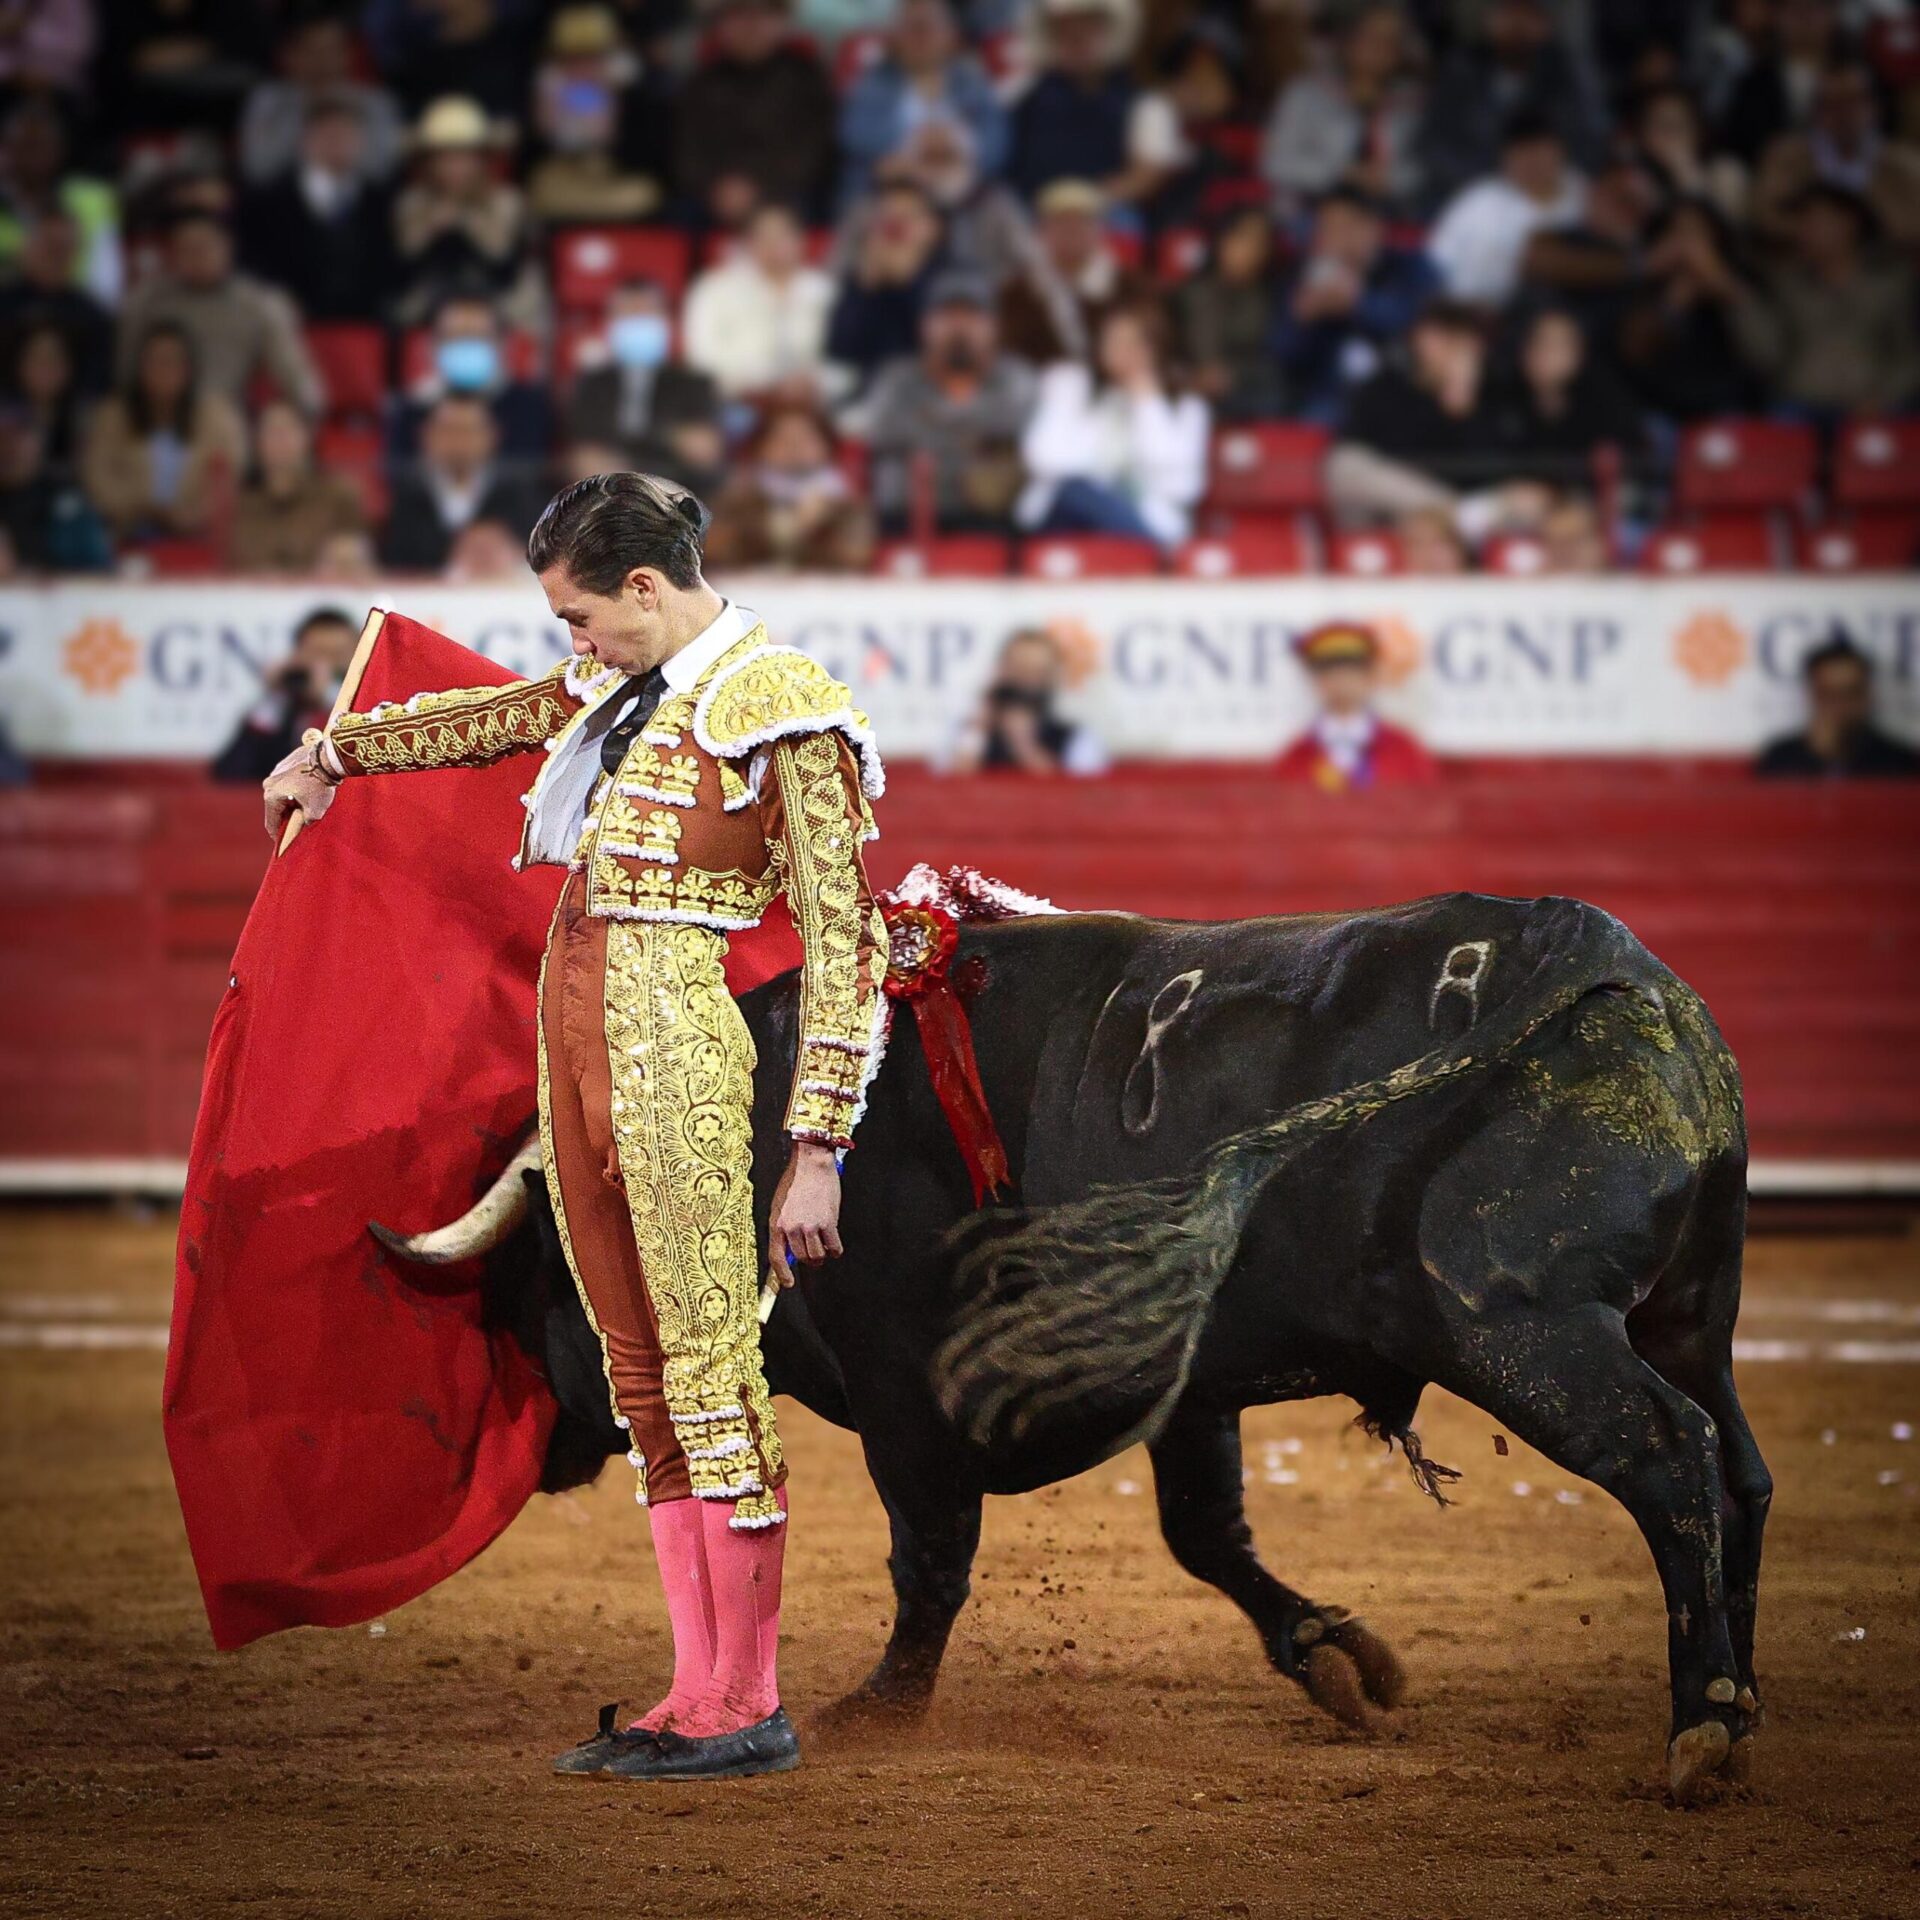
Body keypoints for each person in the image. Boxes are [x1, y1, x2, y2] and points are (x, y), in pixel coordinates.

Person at [260, 470, 892, 1783]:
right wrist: (334, 753)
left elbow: (848, 944)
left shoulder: (786, 711)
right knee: (645, 1377)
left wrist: (818, 1145)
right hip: (580, 1034)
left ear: (647, 590)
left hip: (676, 1049)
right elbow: (489, 719)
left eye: (581, 617)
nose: (573, 646)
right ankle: (694, 1690)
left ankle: (750, 1700)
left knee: (716, 1373)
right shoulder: (619, 686)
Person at [1016, 302, 1208, 548]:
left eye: (1134, 344)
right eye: (1115, 342)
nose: (1123, 353)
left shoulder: (1186, 407)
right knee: (1075, 492)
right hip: (1064, 518)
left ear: (1156, 349)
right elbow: (1043, 458)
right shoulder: (1070, 386)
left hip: (1147, 529)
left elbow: (1182, 487)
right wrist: (1102, 481)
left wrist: (1147, 403)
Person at [861, 269, 1034, 534]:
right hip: (904, 520)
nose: (959, 327)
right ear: (924, 325)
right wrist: (975, 442)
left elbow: (1016, 426)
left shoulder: (1015, 377)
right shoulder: (897, 379)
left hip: (993, 521)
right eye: (948, 315)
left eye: (972, 315)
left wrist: (931, 430)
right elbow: (884, 431)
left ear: (995, 326)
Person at [1725, 184, 1920, 417]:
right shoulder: (1787, 285)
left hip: (1873, 408)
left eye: (1813, 220)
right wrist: (1738, 298)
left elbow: (1909, 356)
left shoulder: (1891, 283)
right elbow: (1768, 355)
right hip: (1799, 407)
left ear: (1848, 223)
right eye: (1801, 221)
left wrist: (1885, 398)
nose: (1802, 231)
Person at [115, 210, 323, 417]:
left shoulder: (259, 306)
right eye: (187, 249)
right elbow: (125, 372)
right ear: (172, 253)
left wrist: (308, 412)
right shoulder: (147, 303)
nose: (196, 257)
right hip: (154, 417)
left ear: (227, 247)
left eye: (204, 247)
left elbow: (295, 374)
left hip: (225, 419)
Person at [1414, 0, 1608, 214]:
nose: (1517, 27)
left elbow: (1592, 142)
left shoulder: (1569, 71)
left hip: (1550, 194)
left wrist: (1538, 172)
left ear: (1546, 25)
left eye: (1528, 16)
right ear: (1489, 21)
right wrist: (1498, 177)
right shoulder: (1461, 69)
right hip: (1472, 191)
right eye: (1507, 15)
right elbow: (1432, 145)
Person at [1271, 186, 1438, 423]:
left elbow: (1417, 324)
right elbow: (1285, 357)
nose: (1336, 239)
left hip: (1401, 394)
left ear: (1373, 228)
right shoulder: (1305, 276)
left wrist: (1357, 303)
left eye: (1345, 227)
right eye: (1328, 229)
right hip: (1331, 402)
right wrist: (1302, 319)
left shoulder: (1411, 268)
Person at [670, 0, 839, 227]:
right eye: (739, 15)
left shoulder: (806, 79)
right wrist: (716, 187)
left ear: (782, 21)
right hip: (711, 196)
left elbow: (813, 151)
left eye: (762, 15)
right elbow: (687, 152)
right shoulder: (701, 83)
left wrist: (759, 187)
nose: (751, 26)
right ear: (722, 24)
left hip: (784, 191)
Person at [82, 320, 245, 544]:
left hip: (198, 538)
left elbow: (230, 478)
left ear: (189, 368)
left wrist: (189, 517)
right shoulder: (112, 417)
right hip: (126, 537)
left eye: (172, 362)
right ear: (140, 367)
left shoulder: (217, 417)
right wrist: (143, 508)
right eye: (155, 361)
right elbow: (97, 480)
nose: (163, 370)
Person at [238, 96, 396, 325]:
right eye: (329, 134)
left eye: (346, 134)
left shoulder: (382, 200)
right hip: (289, 323)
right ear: (306, 139)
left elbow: (387, 264)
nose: (338, 142)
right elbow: (253, 260)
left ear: (361, 141)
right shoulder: (266, 199)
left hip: (364, 323)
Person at [1008, 0, 1177, 211]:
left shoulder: (1144, 104)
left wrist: (1083, 203)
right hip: (1031, 217)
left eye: (1089, 24)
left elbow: (1146, 175)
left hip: (1106, 217)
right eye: (1065, 27)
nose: (1077, 35)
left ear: (1109, 29)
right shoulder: (1022, 98)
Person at [391, 95, 541, 332]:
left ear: (481, 160)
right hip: (425, 320)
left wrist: (468, 223)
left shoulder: (507, 203)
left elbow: (506, 269)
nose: (455, 166)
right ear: (428, 163)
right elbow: (402, 275)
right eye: (445, 157)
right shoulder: (410, 205)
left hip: (498, 315)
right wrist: (431, 228)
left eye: (464, 156)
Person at [1260, 2, 1424, 219]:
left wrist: (1390, 179)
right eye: (1371, 37)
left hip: (1385, 217)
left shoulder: (1413, 102)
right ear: (1350, 40)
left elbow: (1425, 170)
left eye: (1391, 41)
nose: (1380, 48)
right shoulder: (1306, 92)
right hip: (1306, 212)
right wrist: (1345, 172)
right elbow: (1275, 162)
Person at [838, 0, 1008, 205]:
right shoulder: (876, 81)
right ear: (895, 37)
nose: (920, 39)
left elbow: (996, 145)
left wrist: (956, 141)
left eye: (929, 29)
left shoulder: (970, 82)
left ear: (951, 36)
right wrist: (915, 150)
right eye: (911, 29)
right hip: (887, 196)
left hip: (961, 198)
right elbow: (854, 134)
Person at [565, 279, 723, 482]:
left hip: (674, 485)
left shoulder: (694, 384)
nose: (638, 322)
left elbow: (702, 447)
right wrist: (671, 437)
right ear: (611, 323)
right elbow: (584, 444)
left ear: (665, 322)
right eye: (629, 314)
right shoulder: (592, 384)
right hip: (608, 487)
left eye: (646, 313)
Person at [1426, 112, 1584, 310]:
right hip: (1472, 315)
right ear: (1505, 158)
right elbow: (1435, 262)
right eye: (1521, 154)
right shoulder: (1479, 200)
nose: (1531, 163)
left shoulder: (1584, 195)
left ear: (1559, 151)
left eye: (1538, 152)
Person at [681, 203, 836, 403]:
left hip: (816, 402)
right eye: (763, 236)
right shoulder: (714, 289)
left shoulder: (826, 291)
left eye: (782, 235)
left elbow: (843, 361)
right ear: (748, 242)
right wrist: (766, 383)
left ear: (801, 239)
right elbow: (702, 360)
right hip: (737, 402)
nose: (773, 245)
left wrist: (811, 382)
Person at [381, 393, 548, 572]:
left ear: (492, 435)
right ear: (427, 435)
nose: (459, 441)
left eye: (468, 430)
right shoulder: (407, 493)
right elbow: (397, 559)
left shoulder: (518, 493)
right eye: (449, 430)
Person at [996, 177, 1152, 368]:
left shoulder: (1129, 288)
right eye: (1061, 223)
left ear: (1098, 231)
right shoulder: (1017, 293)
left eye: (1080, 222)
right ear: (1042, 231)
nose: (1070, 232)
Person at [703, 402, 876, 571]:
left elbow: (856, 558)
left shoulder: (847, 503)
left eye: (806, 440)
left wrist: (812, 529)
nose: (794, 448)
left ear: (826, 447)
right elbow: (715, 552)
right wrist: (774, 530)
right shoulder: (738, 498)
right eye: (782, 440)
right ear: (761, 447)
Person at [390, 293, 553, 464]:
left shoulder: (530, 408)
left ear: (502, 344)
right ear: (432, 346)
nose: (466, 346)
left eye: (478, 337)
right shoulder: (411, 411)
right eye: (456, 336)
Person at [1275, 621, 1437, 790]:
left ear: (1372, 676)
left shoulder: (1404, 751)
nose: (1342, 679)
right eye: (1329, 670)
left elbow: (1427, 806)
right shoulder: (1296, 757)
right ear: (1315, 680)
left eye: (1353, 670)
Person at [210, 604, 360, 783]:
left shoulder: (371, 710)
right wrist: (275, 697)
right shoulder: (283, 710)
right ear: (297, 654)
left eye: (337, 655)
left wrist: (330, 701)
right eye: (317, 653)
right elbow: (231, 775)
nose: (325, 665)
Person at [824, 179, 947, 386]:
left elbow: (938, 347)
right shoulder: (861, 275)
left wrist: (908, 283)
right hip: (867, 389)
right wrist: (866, 287)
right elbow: (839, 349)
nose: (897, 231)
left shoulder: (952, 276)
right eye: (888, 220)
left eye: (908, 218)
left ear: (933, 227)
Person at [229, 399, 367, 574]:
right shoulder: (242, 507)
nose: (280, 440)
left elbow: (360, 561)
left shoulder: (338, 497)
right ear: (257, 443)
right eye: (272, 431)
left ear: (307, 437)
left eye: (288, 430)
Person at [1174, 206, 1285, 423]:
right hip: (1186, 388)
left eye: (1260, 242)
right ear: (1222, 240)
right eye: (1243, 238)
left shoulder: (1273, 299)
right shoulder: (1187, 294)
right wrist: (1193, 376)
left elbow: (1274, 363)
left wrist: (1232, 374)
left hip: (1240, 394)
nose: (1251, 249)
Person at [946, 626, 1107, 774]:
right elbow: (950, 788)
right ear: (1001, 670)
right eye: (1019, 669)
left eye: (1036, 672)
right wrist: (976, 732)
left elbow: (1075, 794)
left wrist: (1024, 745)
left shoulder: (1077, 739)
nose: (1026, 682)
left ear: (1051, 677)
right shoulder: (965, 732)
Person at [1755, 634, 1920, 778]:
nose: (1840, 704)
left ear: (1868, 695)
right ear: (1810, 694)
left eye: (1851, 692)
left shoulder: (1897, 762)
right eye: (1829, 693)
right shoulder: (1781, 760)